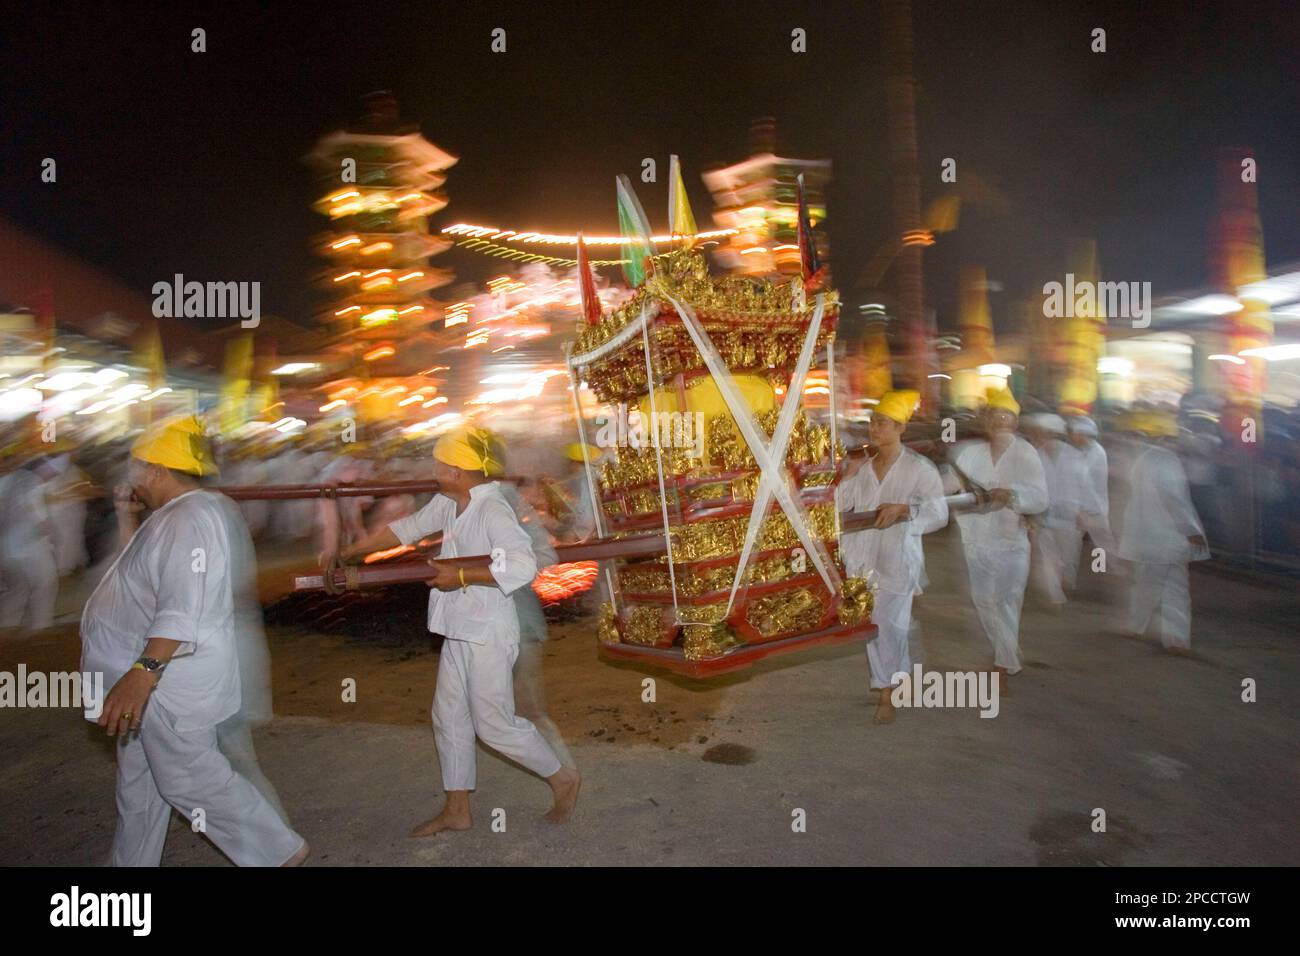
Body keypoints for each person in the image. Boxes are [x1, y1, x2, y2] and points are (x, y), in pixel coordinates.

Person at [327, 425, 580, 834]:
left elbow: (521, 565)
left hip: (488, 632)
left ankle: (562, 777)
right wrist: (350, 552)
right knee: (448, 717)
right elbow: (405, 529)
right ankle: (457, 810)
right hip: (458, 627)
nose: (434, 467)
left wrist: (461, 574)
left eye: (440, 462)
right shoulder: (450, 502)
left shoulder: (493, 508)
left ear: (458, 470)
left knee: (494, 725)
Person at [80, 416, 307, 866]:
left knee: (189, 779)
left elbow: (181, 608)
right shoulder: (173, 516)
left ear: (157, 471)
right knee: (140, 787)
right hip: (153, 682)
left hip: (168, 684)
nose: (131, 481)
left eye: (136, 470)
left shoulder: (190, 517)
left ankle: (277, 853)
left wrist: (142, 675)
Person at [837, 390, 948, 724]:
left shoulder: (919, 469)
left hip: (898, 560)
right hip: (864, 560)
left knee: (892, 627)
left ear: (900, 428)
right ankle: (889, 685)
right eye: (873, 422)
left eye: (882, 423)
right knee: (872, 626)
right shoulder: (865, 467)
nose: (875, 429)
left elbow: (938, 512)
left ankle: (888, 692)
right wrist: (848, 473)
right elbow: (840, 505)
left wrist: (906, 510)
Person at [949, 389, 1048, 690]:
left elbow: (1041, 498)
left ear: (1015, 423)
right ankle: (1006, 656)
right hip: (976, 540)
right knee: (983, 602)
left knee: (1006, 602)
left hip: (1011, 542)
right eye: (995, 416)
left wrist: (1012, 495)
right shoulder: (970, 454)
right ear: (987, 421)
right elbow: (949, 484)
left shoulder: (1026, 453)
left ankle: (1002, 666)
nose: (1000, 422)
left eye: (1007, 417)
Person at [1115, 411, 1207, 653]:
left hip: (1154, 538)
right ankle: (1170, 637)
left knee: (1156, 585)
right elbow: (1174, 499)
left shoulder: (1145, 459)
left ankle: (1155, 632)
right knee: (1167, 587)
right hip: (1167, 536)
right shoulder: (1166, 460)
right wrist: (1191, 530)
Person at [1023, 413, 1085, 608]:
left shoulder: (1075, 457)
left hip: (1070, 516)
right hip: (1045, 515)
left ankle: (1064, 582)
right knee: (1047, 558)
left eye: (1042, 433)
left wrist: (1084, 511)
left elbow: (1086, 487)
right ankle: (1055, 596)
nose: (1039, 437)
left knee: (1068, 558)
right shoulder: (1034, 456)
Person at [0, 453, 59, 634]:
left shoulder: (9, 481)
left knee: (19, 587)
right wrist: (48, 529)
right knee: (45, 582)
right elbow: (33, 507)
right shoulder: (28, 481)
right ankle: (39, 626)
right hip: (26, 544)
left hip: (9, 546)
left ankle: (7, 624)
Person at [1063, 414, 1111, 589]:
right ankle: (1067, 582)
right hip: (1079, 508)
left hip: (1094, 508)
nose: (1069, 435)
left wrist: (1081, 509)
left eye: (1072, 432)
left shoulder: (1096, 452)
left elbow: (1084, 482)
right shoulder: (1075, 450)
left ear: (1082, 433)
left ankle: (1101, 579)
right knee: (1070, 548)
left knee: (1101, 546)